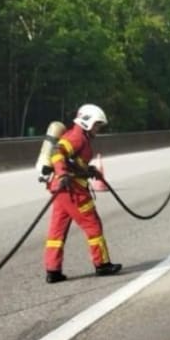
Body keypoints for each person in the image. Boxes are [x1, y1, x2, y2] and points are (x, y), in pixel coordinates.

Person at [43, 104, 123, 283]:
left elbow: (73, 162)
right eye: (97, 125)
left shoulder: (79, 136)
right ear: (87, 122)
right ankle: (102, 264)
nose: (98, 129)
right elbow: (58, 153)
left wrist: (89, 170)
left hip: (62, 190)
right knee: (93, 225)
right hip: (72, 190)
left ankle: (53, 270)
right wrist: (62, 172)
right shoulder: (77, 137)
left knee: (57, 231)